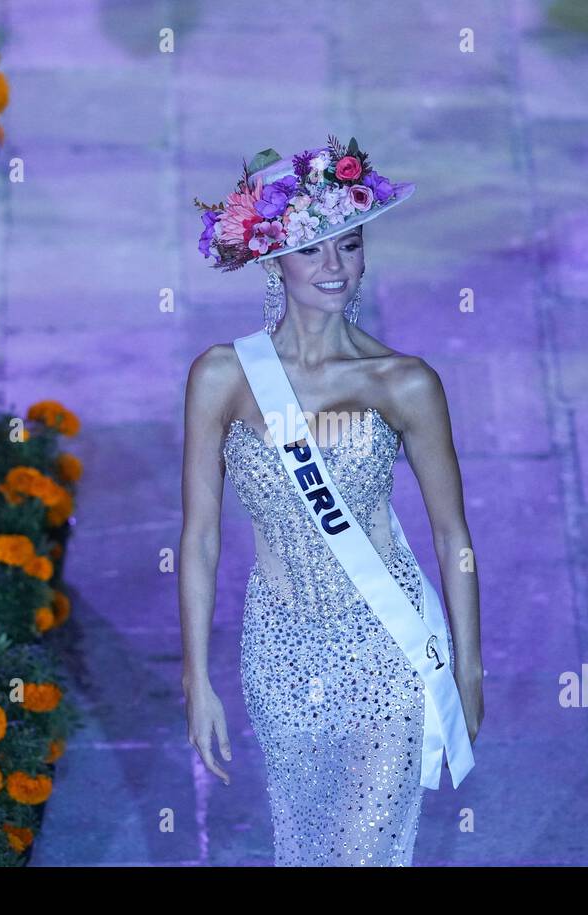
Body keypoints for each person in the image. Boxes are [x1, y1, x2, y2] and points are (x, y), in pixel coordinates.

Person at [179, 136, 483, 866]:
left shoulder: (402, 383)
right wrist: (197, 679)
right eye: (313, 250)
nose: (333, 268)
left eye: (348, 246)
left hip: (389, 653)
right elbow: (198, 539)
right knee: (305, 844)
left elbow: (453, 537)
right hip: (278, 650)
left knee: (368, 850)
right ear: (272, 258)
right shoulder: (222, 376)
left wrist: (468, 674)